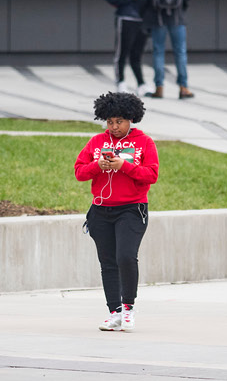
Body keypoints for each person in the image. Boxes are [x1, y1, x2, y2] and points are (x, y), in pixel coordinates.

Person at [73, 92, 160, 332]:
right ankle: (115, 312)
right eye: (110, 121)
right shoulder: (96, 142)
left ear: (131, 118)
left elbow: (151, 175)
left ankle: (129, 308)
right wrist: (96, 165)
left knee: (126, 257)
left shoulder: (144, 142)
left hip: (132, 209)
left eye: (119, 121)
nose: (114, 126)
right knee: (108, 262)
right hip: (101, 211)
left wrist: (125, 165)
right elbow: (79, 172)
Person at [140, 0, 195, 99]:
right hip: (177, 17)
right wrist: (181, 9)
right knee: (180, 51)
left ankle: (159, 87)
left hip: (158, 18)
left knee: (158, 51)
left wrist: (146, 15)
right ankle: (183, 87)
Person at [105, 0, 147, 94]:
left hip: (141, 18)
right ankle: (120, 81)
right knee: (122, 52)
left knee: (137, 53)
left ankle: (141, 84)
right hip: (126, 17)